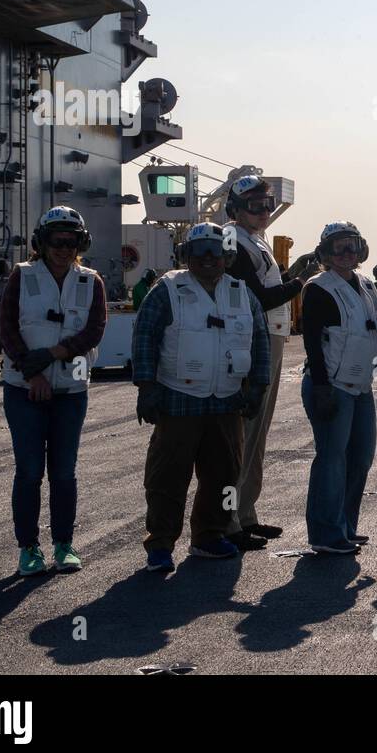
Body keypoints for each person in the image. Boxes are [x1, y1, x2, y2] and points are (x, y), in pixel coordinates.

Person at [133, 222, 271, 572]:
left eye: (216, 251)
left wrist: (257, 387)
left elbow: (260, 341)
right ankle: (161, 543)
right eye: (200, 251)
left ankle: (210, 536)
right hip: (178, 400)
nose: (208, 258)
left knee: (224, 475)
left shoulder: (242, 293)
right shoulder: (167, 290)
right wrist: (146, 387)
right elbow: (145, 336)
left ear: (227, 256)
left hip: (226, 401)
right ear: (187, 255)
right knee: (167, 478)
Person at [0, 207, 107, 576]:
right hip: (24, 390)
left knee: (64, 472)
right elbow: (8, 328)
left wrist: (53, 355)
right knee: (29, 471)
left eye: (71, 240)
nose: (63, 247)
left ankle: (63, 544)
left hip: (71, 391)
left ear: (81, 242)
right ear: (41, 243)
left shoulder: (91, 281)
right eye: (56, 241)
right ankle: (28, 548)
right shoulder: (22, 276)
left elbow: (93, 331)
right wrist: (34, 374)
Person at [222, 175, 313, 551]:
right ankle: (227, 522)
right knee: (240, 434)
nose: (263, 212)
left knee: (257, 434)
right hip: (250, 339)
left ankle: (245, 513)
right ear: (235, 209)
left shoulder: (254, 240)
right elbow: (256, 296)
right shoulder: (232, 240)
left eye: (266, 206)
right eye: (254, 206)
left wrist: (292, 277)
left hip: (269, 337)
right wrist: (299, 282)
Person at [301, 222, 377, 554]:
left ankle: (345, 525)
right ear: (325, 253)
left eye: (352, 245)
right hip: (331, 386)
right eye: (338, 246)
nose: (346, 253)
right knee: (331, 459)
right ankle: (326, 534)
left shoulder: (367, 286)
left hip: (361, 387)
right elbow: (312, 342)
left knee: (361, 458)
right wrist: (323, 389)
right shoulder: (319, 288)